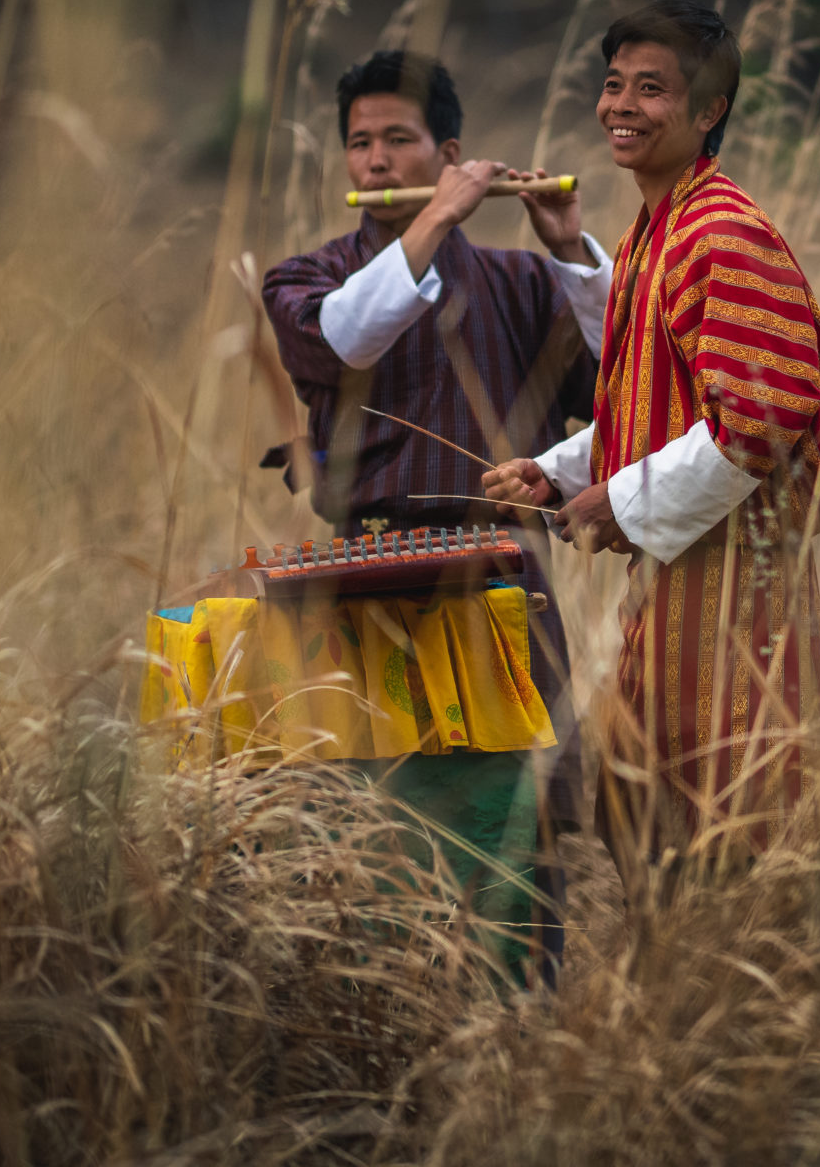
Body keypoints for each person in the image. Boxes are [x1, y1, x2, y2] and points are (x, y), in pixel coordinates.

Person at [483, 0, 820, 887]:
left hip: (740, 594)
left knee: (726, 829)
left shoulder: (722, 230)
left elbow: (763, 421)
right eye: (613, 84)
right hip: (676, 583)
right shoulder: (651, 234)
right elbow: (653, 411)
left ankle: (723, 1009)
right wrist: (555, 476)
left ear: (709, 112)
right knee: (644, 819)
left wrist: (618, 501)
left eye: (653, 89)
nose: (622, 105)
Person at [262, 48, 612, 982]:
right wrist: (440, 218)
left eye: (399, 141)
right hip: (367, 585)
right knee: (373, 823)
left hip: (503, 581)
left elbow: (628, 386)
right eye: (359, 143)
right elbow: (341, 345)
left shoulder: (526, 281)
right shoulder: (307, 279)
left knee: (510, 825)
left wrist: (572, 247)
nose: (374, 161)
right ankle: (388, 1028)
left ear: (448, 151)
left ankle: (515, 1040)